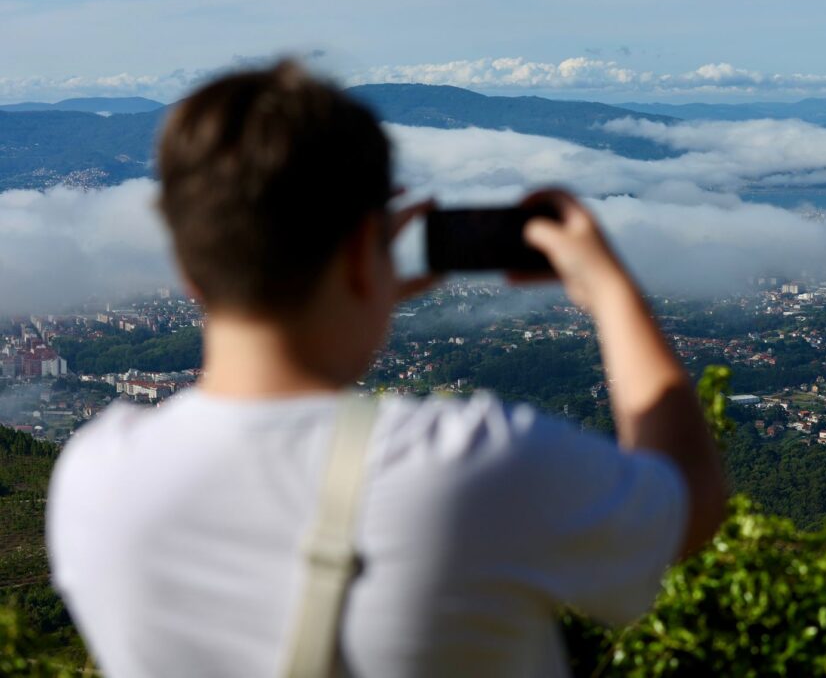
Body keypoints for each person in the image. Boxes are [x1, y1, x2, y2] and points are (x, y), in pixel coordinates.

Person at [47, 61, 726, 677]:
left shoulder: (95, 480)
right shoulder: (471, 468)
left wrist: (357, 279)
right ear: (361, 250)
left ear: (188, 269)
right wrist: (612, 292)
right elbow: (688, 503)